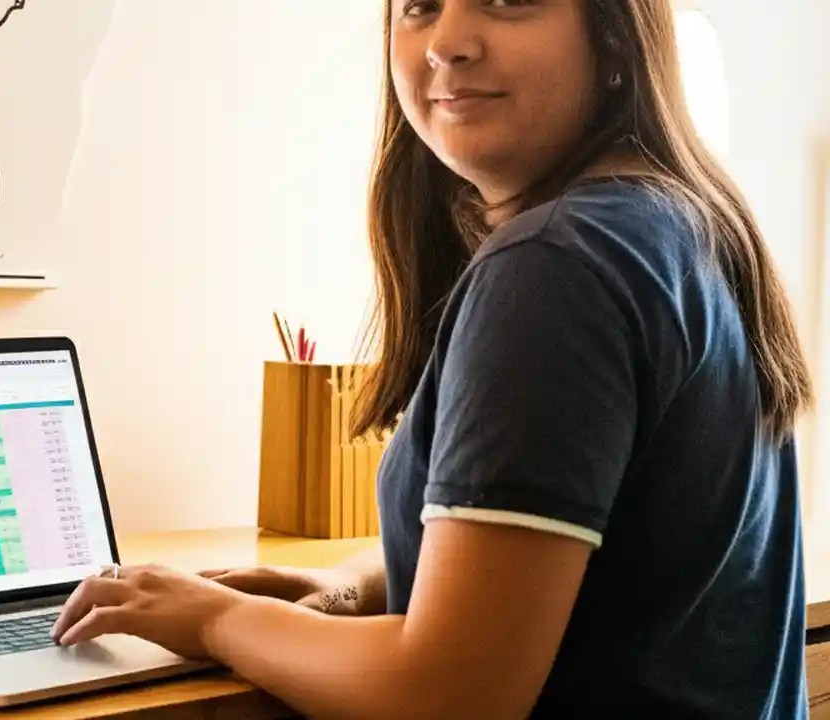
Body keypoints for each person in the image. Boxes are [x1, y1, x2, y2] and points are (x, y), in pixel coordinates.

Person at [49, 0, 814, 717]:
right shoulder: (676, 223)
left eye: (507, 0)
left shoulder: (559, 264)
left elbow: (451, 693)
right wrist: (354, 584)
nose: (447, 41)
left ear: (615, 35)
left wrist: (215, 619)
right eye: (418, 6)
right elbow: (583, 558)